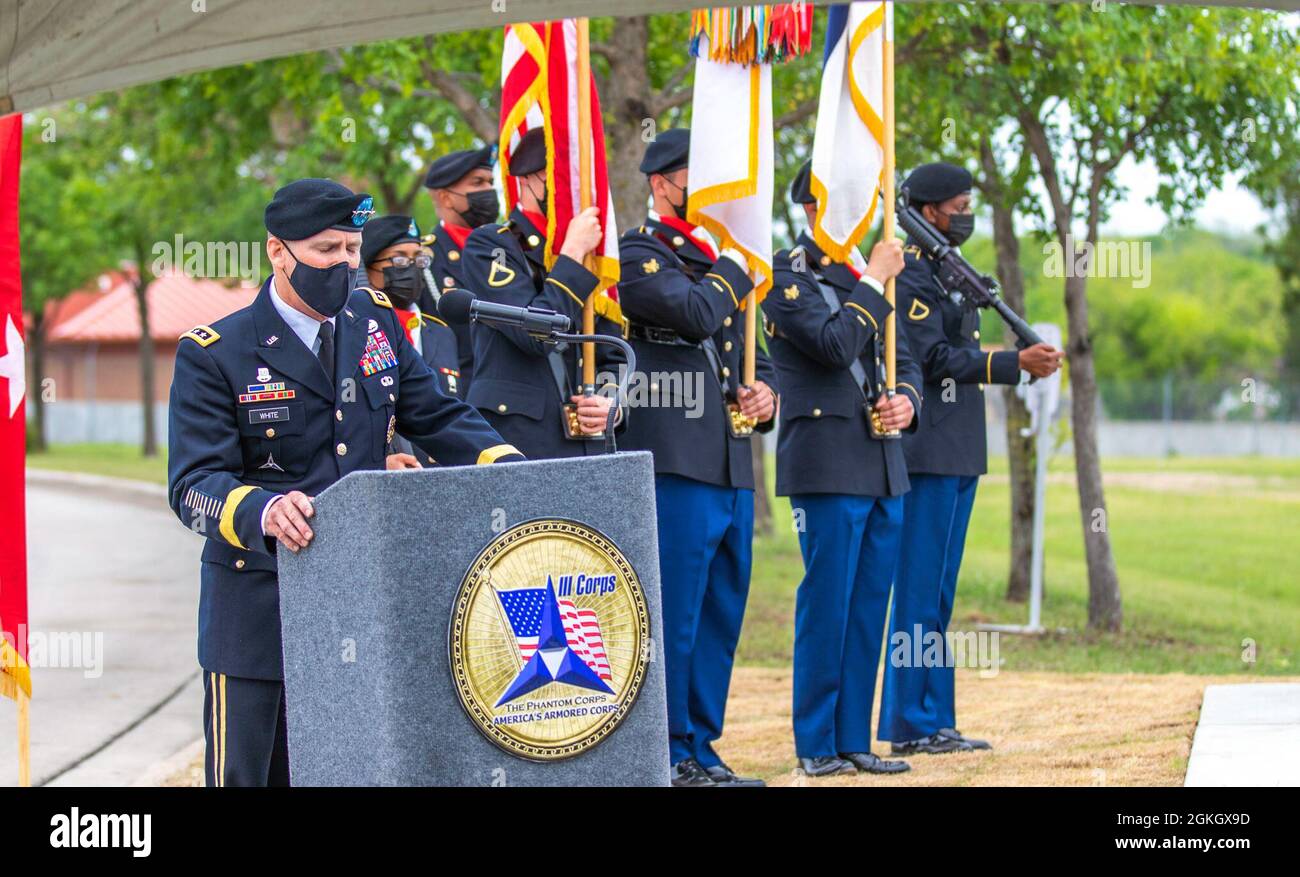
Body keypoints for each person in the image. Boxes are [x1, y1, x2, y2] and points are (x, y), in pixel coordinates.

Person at [167, 178, 523, 787]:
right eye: (327, 250)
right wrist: (263, 510)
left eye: (354, 250)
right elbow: (193, 486)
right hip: (259, 605)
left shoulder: (372, 321)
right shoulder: (216, 353)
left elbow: (435, 414)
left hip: (362, 601)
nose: (345, 265)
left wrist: (511, 464)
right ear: (279, 252)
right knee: (252, 777)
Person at [878, 162, 1063, 755]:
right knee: (917, 591)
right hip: (927, 448)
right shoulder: (909, 275)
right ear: (929, 211)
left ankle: (937, 718)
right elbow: (933, 360)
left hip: (959, 450)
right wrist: (1013, 366)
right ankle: (910, 722)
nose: (965, 216)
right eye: (958, 207)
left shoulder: (948, 272)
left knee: (940, 593)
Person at [617, 128, 777, 787]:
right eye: (696, 177)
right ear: (661, 184)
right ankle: (670, 748)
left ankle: (704, 746)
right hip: (677, 457)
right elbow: (693, 314)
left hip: (731, 458)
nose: (712, 191)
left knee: (719, 612)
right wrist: (738, 266)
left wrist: (769, 390)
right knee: (675, 611)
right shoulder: (638, 253)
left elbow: (754, 352)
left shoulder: (722, 256)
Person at [764, 161, 920, 778]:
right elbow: (833, 346)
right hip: (826, 461)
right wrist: (875, 281)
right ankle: (816, 742)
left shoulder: (866, 276)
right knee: (827, 602)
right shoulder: (784, 273)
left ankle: (855, 736)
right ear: (811, 209)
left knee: (867, 606)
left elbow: (903, 360)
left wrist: (908, 399)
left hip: (883, 460)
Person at [459, 127, 623, 458]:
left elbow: (612, 350)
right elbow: (535, 334)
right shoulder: (493, 244)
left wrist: (611, 404)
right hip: (523, 440)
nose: (573, 191)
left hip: (591, 445)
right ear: (528, 180)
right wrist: (573, 253)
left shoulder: (593, 253)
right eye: (561, 179)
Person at [361, 213, 464, 468]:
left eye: (418, 258)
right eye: (398, 259)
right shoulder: (355, 331)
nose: (411, 267)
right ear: (369, 268)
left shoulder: (441, 333)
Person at [420, 144, 501, 391]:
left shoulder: (509, 250)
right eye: (477, 183)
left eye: (490, 182)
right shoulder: (424, 261)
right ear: (446, 197)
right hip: (460, 394)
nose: (489, 190)